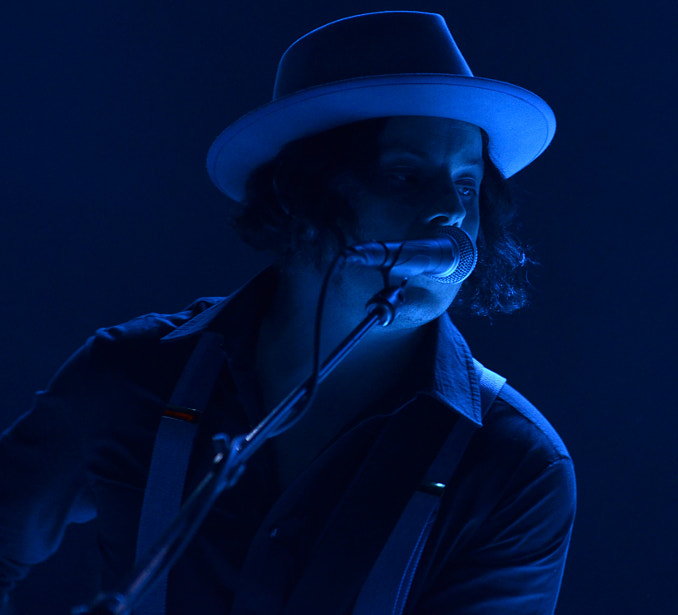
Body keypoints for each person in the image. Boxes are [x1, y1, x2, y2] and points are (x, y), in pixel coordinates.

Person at [0, 11, 575, 615]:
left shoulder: (515, 465)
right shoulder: (128, 374)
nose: (450, 212)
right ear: (298, 195)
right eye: (405, 174)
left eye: (466, 184)